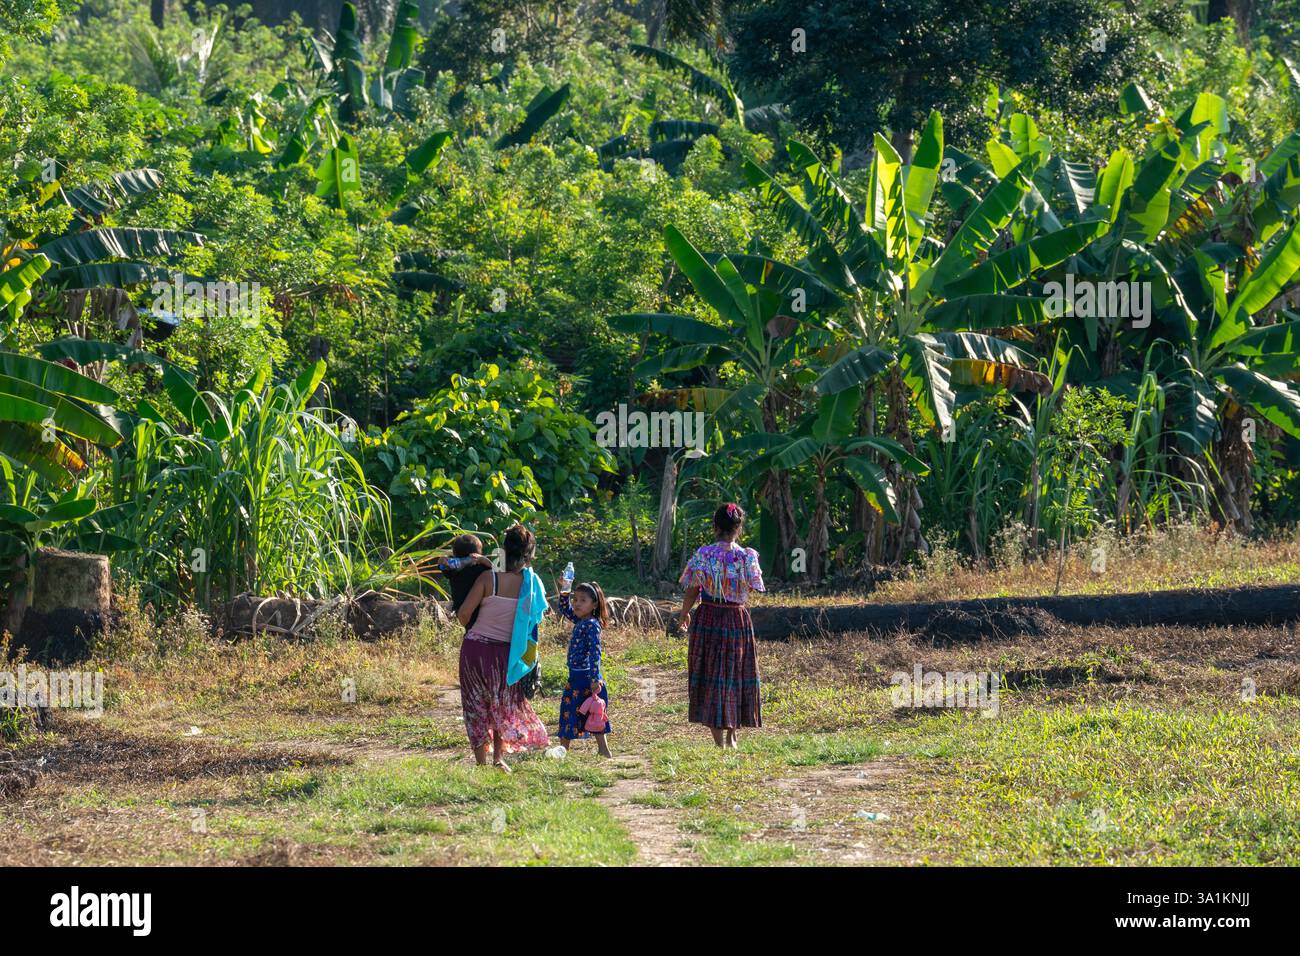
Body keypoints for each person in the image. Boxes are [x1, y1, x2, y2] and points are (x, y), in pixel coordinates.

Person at [456, 524, 548, 770]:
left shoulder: (489, 578)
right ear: (529, 554)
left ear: (504, 549)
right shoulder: (532, 584)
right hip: (505, 655)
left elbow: (463, 615)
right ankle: (498, 759)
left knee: (475, 704)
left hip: (475, 651)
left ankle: (480, 763)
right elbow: (535, 621)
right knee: (500, 703)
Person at [676, 502, 765, 748]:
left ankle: (719, 741)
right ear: (739, 529)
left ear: (715, 526)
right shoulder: (747, 556)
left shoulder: (704, 555)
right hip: (737, 618)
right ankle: (732, 736)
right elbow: (752, 587)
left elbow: (693, 589)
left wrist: (684, 615)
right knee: (735, 674)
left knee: (710, 674)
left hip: (708, 617)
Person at [554, 580, 612, 757]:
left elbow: (595, 652)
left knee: (593, 714)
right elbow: (564, 609)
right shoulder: (580, 620)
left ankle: (603, 750)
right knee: (570, 712)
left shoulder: (592, 624)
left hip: (587, 678)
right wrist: (565, 590)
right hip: (576, 676)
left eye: (583, 600)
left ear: (594, 604)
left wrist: (595, 679)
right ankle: (564, 750)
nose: (577, 604)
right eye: (575, 599)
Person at [440, 533, 493, 625]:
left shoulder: (453, 570)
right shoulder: (481, 568)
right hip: (480, 609)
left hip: (460, 609)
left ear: (455, 554)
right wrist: (483, 559)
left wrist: (444, 560)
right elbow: (496, 571)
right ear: (478, 554)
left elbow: (441, 564)